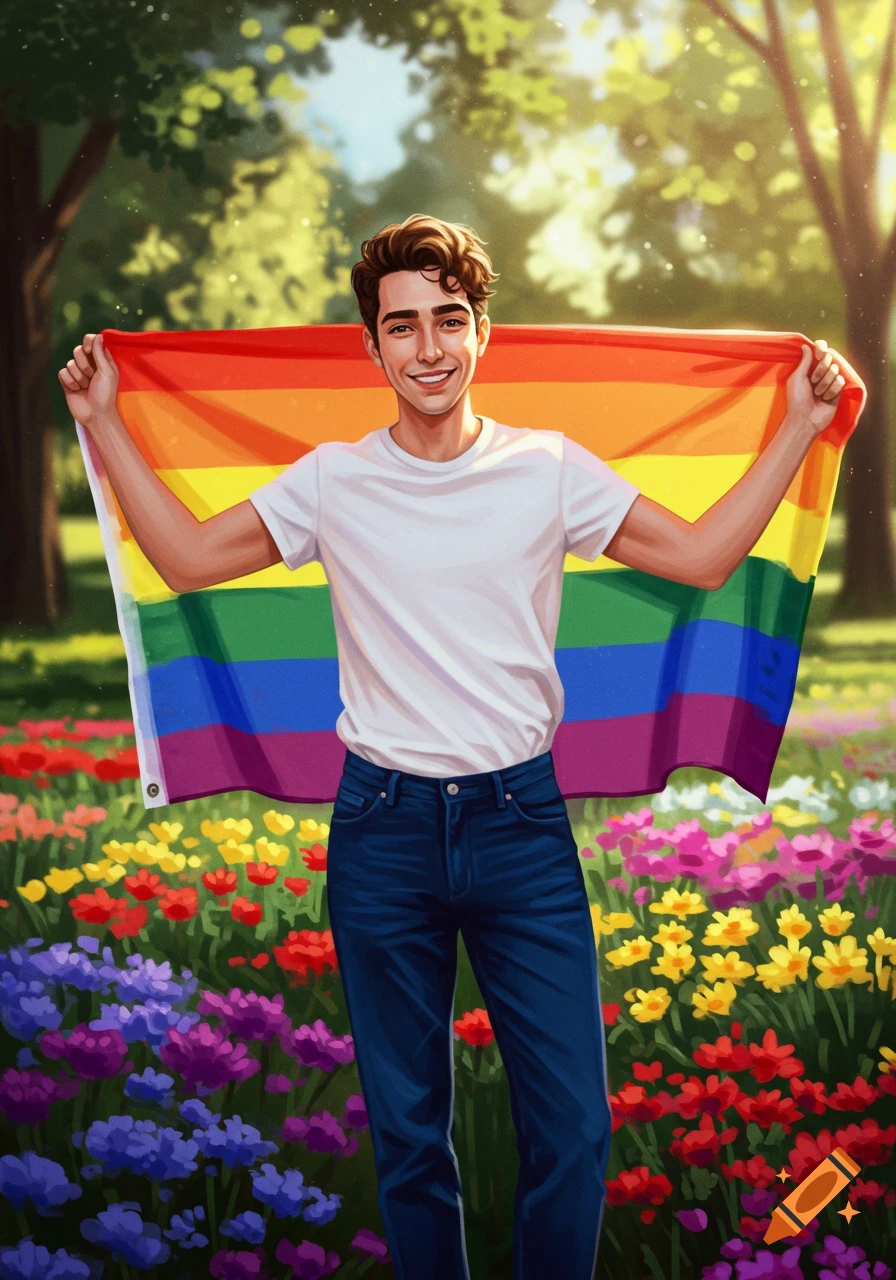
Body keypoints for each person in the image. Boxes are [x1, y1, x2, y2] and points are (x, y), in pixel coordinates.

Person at [59, 214, 850, 1280]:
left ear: (482, 333)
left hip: (519, 826)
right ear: (371, 348)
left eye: (447, 319)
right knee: (409, 1136)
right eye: (402, 326)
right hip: (381, 829)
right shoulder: (334, 479)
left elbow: (704, 556)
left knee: (571, 1127)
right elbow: (188, 555)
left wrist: (797, 426)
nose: (427, 346)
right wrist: (104, 420)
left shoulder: (547, 470)